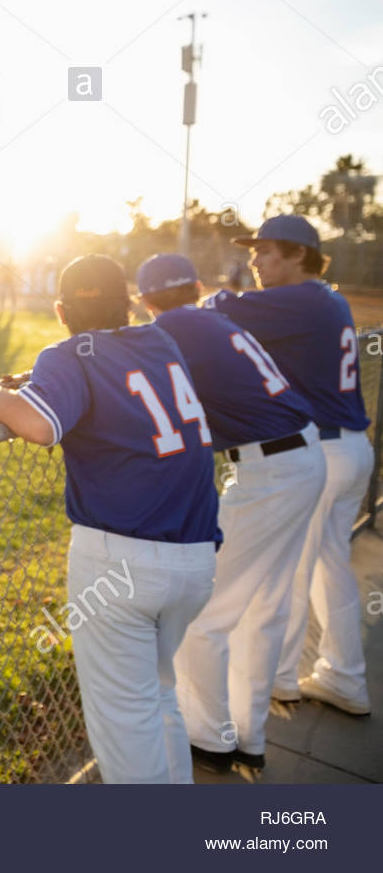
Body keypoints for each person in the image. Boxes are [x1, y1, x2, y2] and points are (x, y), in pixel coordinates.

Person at [0, 254, 220, 783]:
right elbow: (112, 367)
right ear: (128, 303)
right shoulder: (159, 341)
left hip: (120, 564)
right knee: (158, 694)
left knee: (126, 723)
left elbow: (37, 426)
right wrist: (33, 378)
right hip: (195, 556)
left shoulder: (66, 355)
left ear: (60, 311)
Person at [136, 253, 325, 779]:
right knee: (263, 609)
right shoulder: (213, 319)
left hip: (271, 470)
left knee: (205, 614)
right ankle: (249, 736)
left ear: (145, 301)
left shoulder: (170, 326)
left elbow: (113, 362)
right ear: (197, 285)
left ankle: (213, 739)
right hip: (302, 456)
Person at [204, 214, 373, 716]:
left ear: (300, 255)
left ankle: (280, 678)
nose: (255, 260)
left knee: (294, 569)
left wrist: (215, 297)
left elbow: (216, 309)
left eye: (267, 251)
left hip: (322, 450)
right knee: (329, 565)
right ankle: (343, 676)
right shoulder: (329, 298)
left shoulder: (301, 298)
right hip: (351, 448)